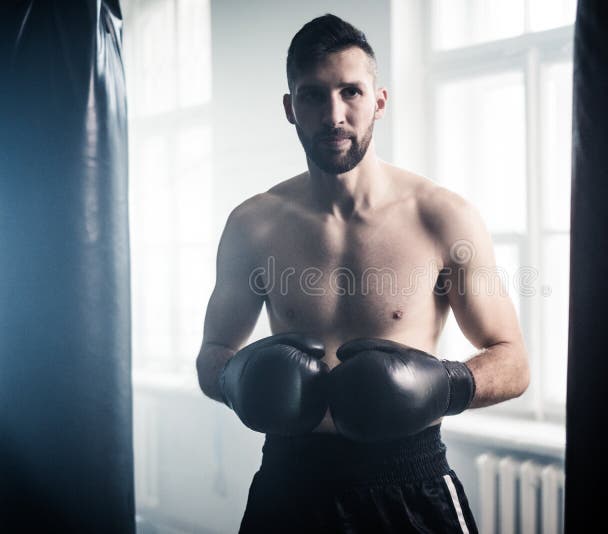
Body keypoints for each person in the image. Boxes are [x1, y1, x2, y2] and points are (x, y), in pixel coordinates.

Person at [195, 13, 530, 533]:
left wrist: (446, 385)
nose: (334, 115)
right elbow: (211, 356)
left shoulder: (441, 216)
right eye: (312, 95)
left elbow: (514, 362)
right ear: (290, 108)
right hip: (290, 482)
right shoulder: (253, 225)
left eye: (351, 92)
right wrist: (236, 381)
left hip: (408, 481)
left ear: (379, 101)